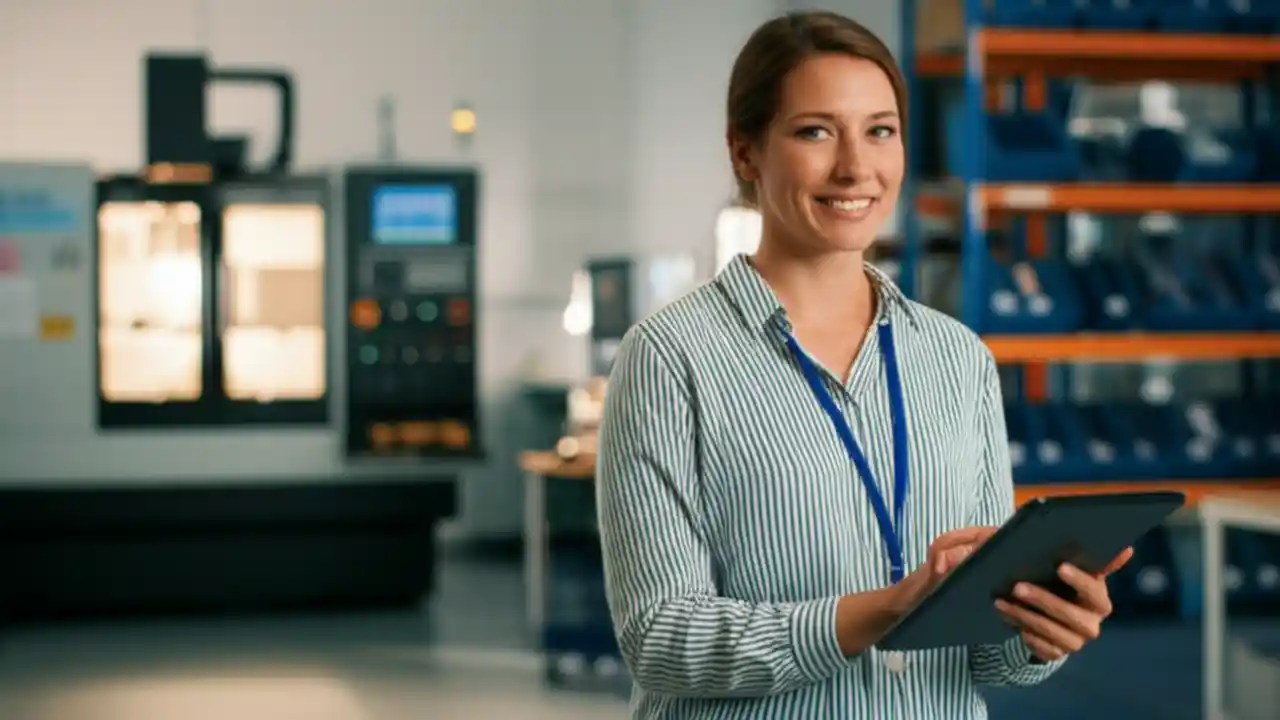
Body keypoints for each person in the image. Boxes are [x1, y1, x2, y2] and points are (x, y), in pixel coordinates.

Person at [594, 10, 1134, 719]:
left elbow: (989, 656)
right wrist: (880, 611)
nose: (856, 167)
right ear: (745, 152)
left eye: (879, 130)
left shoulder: (956, 359)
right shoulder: (669, 360)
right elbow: (660, 637)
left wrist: (1041, 628)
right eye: (815, 131)